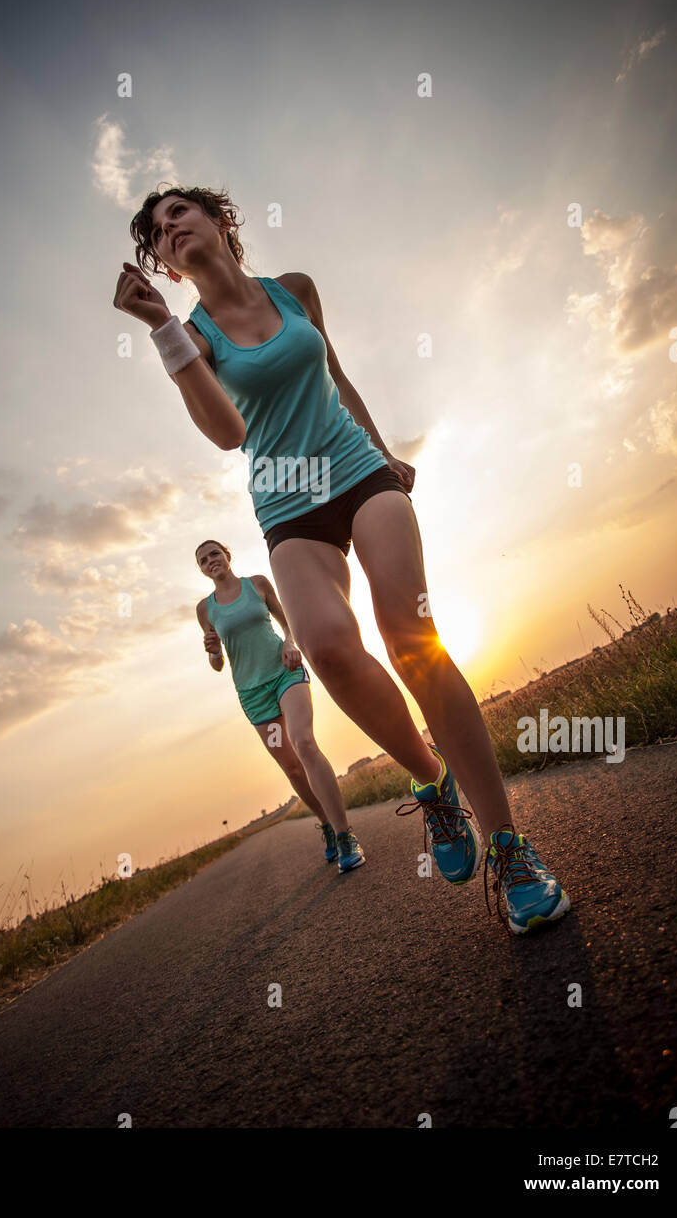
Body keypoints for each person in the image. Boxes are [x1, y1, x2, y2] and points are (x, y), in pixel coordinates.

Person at [114, 184, 571, 936]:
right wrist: (163, 331)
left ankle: (511, 849)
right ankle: (433, 785)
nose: (170, 230)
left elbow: (336, 375)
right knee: (327, 649)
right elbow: (229, 432)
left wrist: (385, 449)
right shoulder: (190, 335)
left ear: (218, 222)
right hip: (289, 508)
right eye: (158, 235)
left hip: (357, 470)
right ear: (163, 267)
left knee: (412, 642)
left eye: (179, 215)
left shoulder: (294, 292)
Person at [194, 537, 365, 872]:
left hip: (285, 672)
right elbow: (217, 664)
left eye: (215, 553)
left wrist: (289, 642)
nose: (210, 560)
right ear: (201, 570)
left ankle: (346, 835)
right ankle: (327, 824)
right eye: (203, 560)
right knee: (292, 767)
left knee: (304, 742)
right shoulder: (205, 609)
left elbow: (288, 622)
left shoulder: (257, 584)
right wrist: (212, 650)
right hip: (254, 696)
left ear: (228, 554)